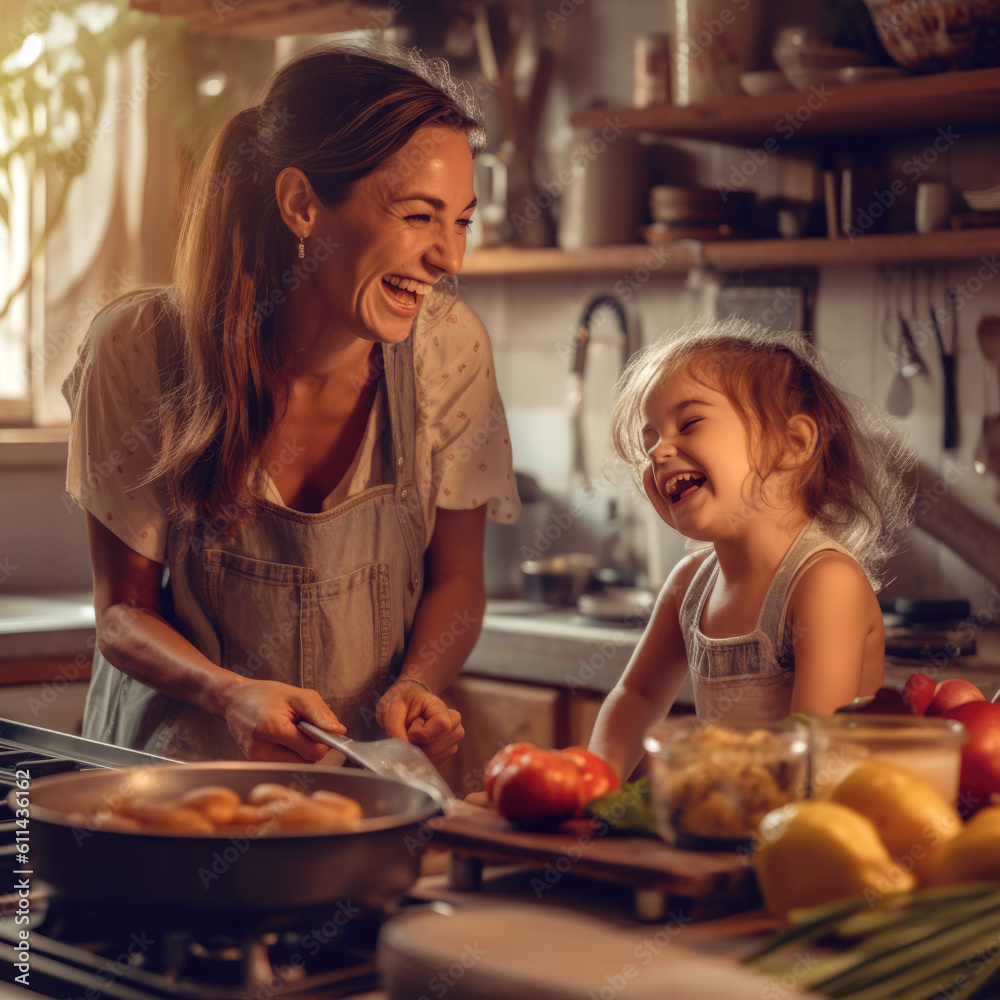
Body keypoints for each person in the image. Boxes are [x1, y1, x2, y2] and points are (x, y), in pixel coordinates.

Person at [62, 43, 520, 765]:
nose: (449, 258)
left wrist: (418, 682)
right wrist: (226, 692)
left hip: (362, 792)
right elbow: (123, 613)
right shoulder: (140, 349)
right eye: (418, 215)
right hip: (173, 784)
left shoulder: (448, 348)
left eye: (459, 220)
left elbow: (457, 579)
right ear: (303, 204)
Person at [588, 319, 914, 780]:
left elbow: (810, 751)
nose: (659, 453)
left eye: (690, 423)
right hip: (727, 824)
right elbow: (638, 696)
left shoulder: (824, 582)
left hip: (807, 834)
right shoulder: (688, 584)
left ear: (793, 444)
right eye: (651, 440)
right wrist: (593, 781)